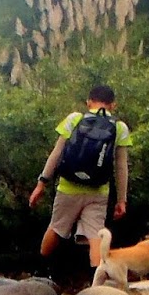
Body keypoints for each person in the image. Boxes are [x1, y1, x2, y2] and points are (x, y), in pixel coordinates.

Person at [28, 84, 132, 275]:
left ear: (88, 102)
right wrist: (121, 200)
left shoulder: (74, 119)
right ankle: (97, 281)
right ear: (113, 105)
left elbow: (56, 153)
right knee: (95, 235)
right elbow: (121, 166)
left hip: (68, 187)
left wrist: (41, 183)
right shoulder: (119, 127)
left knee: (57, 227)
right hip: (99, 190)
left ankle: (39, 272)